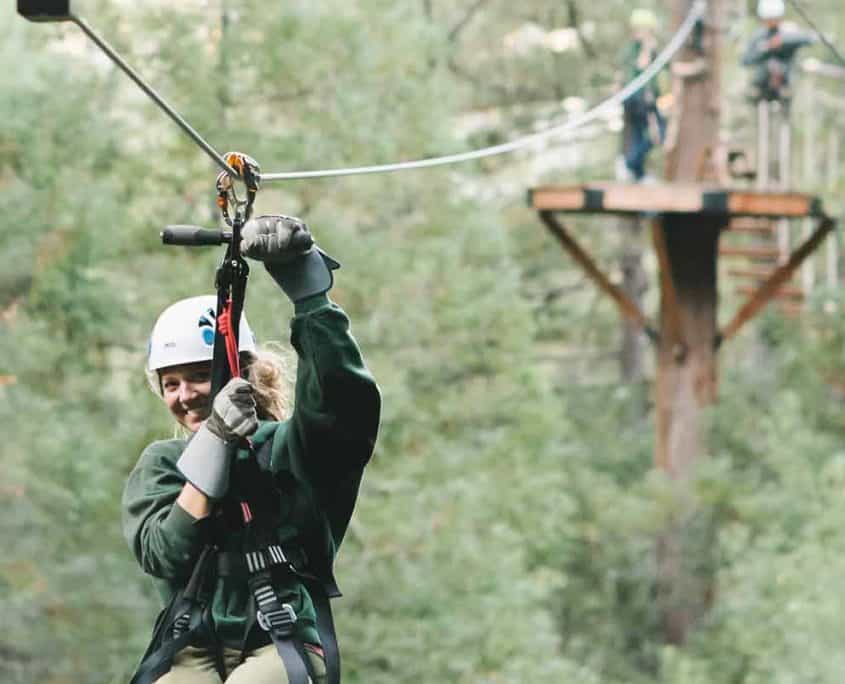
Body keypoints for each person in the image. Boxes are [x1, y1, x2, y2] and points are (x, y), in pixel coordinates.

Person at [122, 215, 381, 683]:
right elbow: (164, 555)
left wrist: (310, 296)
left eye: (199, 375)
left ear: (242, 371)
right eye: (171, 384)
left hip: (280, 639)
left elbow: (343, 409)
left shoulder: (289, 450)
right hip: (190, 645)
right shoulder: (163, 464)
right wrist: (215, 443)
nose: (185, 395)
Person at [619, 8, 667, 182]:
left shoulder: (634, 48)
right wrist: (648, 48)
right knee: (660, 133)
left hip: (640, 98)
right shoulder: (636, 48)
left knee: (640, 135)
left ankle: (637, 172)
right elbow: (641, 66)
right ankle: (631, 163)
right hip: (639, 99)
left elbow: (664, 67)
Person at [742, 0, 814, 109]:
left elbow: (808, 39)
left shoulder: (789, 31)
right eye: (768, 19)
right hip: (762, 84)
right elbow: (745, 60)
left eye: (774, 19)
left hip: (785, 83)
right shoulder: (759, 36)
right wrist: (765, 49)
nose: (771, 22)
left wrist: (783, 42)